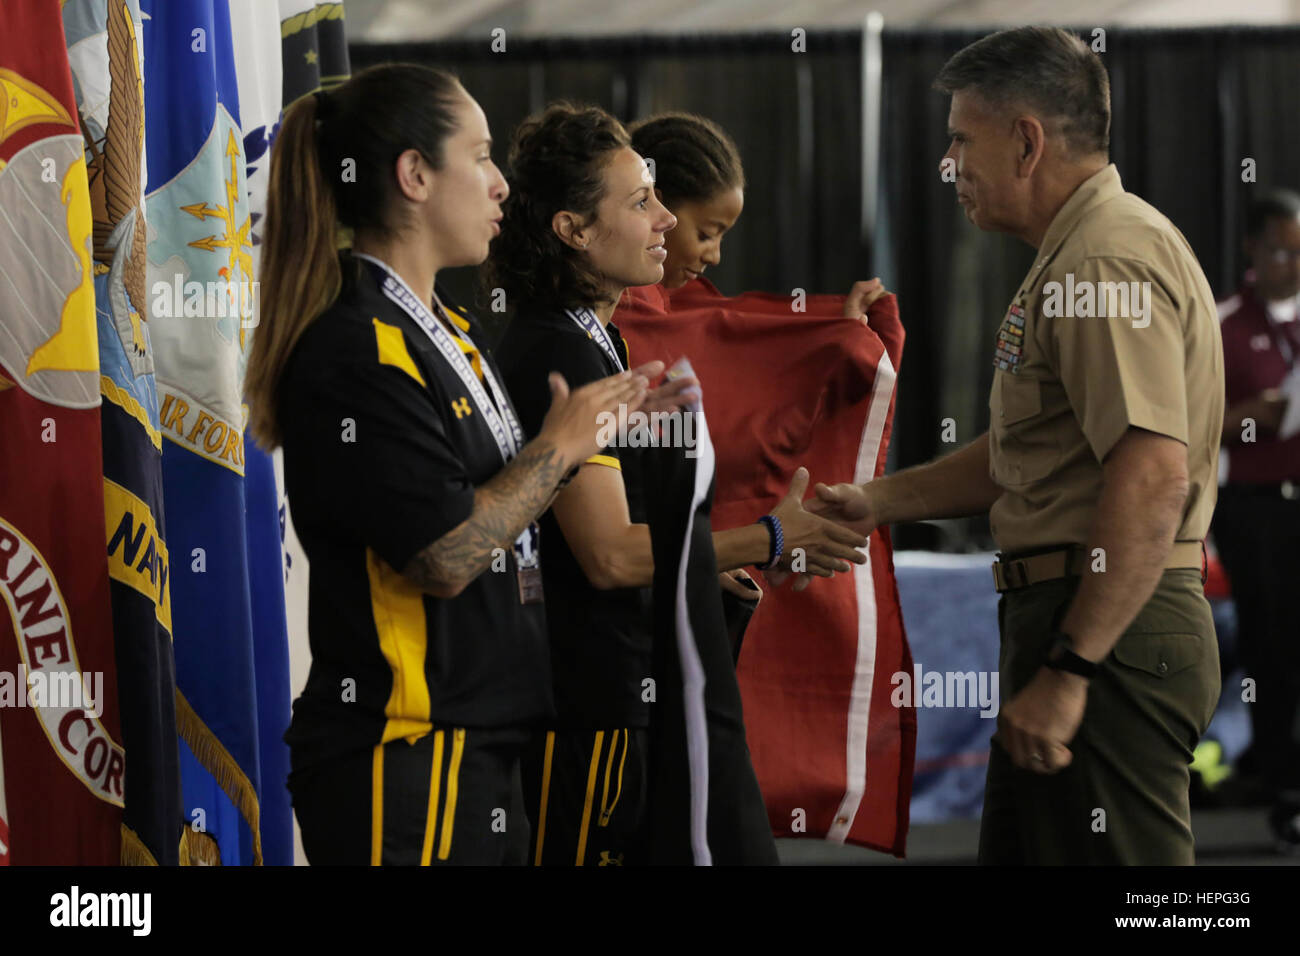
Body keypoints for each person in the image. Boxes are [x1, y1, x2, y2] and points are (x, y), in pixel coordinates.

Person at [245, 65, 691, 865]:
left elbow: (496, 506)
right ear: (414, 175)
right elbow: (446, 555)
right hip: (404, 748)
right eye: (481, 158)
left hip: (477, 740)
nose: (500, 187)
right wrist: (560, 447)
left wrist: (595, 431)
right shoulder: (359, 346)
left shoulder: (444, 327)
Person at [811, 27, 1225, 865]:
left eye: (962, 138)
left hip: (1104, 627)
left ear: (1027, 141)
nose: (949, 162)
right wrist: (873, 502)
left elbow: (1151, 477)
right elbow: (1025, 455)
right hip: (1084, 617)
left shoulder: (1104, 258)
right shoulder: (1077, 253)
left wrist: (1072, 669)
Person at [488, 103, 867, 865]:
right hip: (588, 709)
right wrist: (770, 536)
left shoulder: (600, 340)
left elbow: (636, 538)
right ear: (573, 230)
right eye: (639, 203)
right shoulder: (551, 352)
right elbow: (610, 556)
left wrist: (710, 568)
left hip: (627, 696)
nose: (665, 219)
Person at [626, 111, 888, 325]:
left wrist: (838, 327)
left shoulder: (671, 304)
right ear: (652, 205)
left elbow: (752, 328)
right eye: (705, 235)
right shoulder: (616, 309)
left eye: (720, 237)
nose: (714, 257)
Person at [1213, 189, 1300, 821]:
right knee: (1269, 640)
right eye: (1279, 250)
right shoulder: (1223, 322)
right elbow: (1188, 423)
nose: (1292, 265)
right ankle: (1277, 779)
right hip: (1256, 505)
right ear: (1250, 248)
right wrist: (1257, 416)